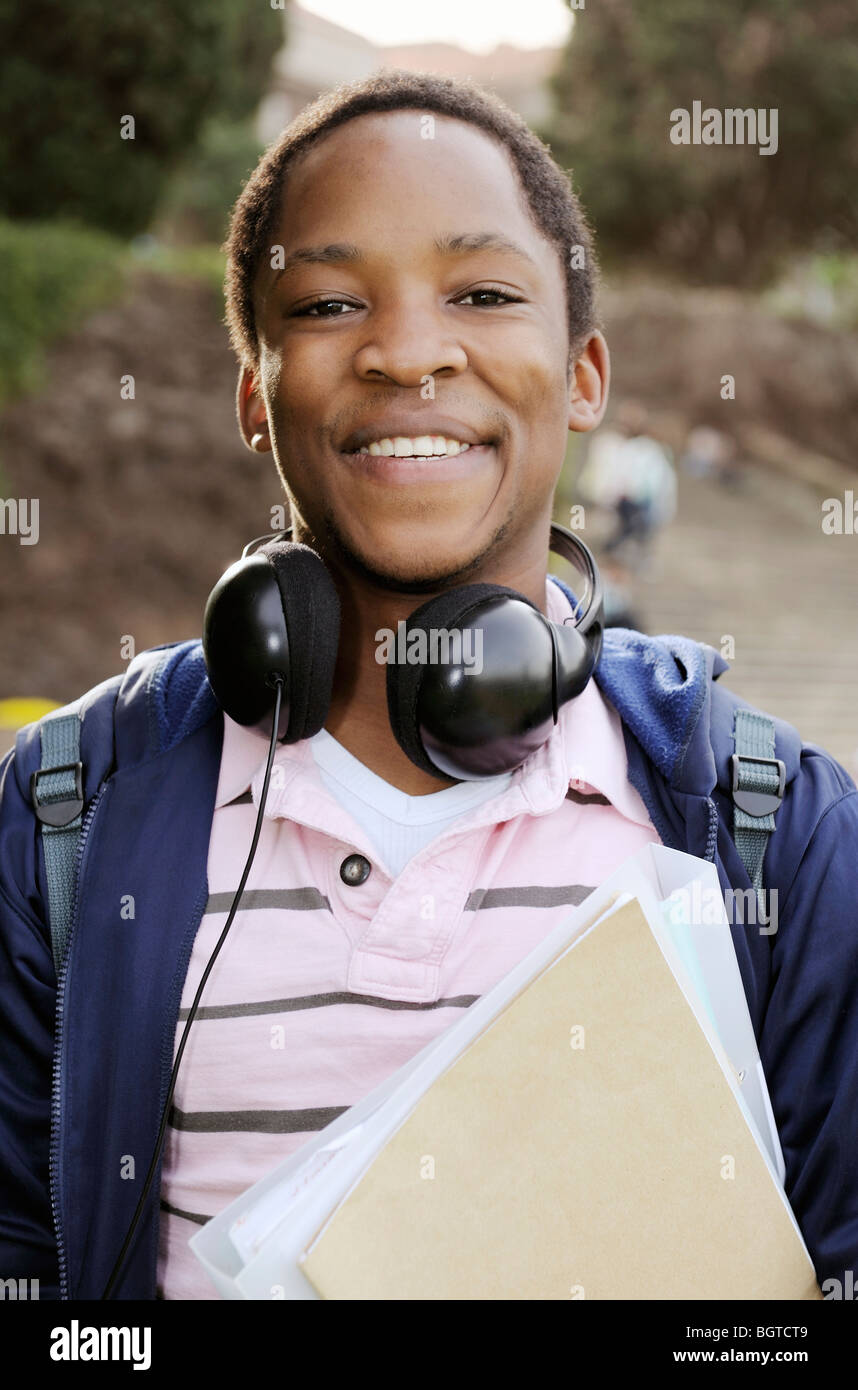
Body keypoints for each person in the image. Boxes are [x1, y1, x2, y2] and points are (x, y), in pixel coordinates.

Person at [1, 70, 856, 1301]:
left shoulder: (785, 834)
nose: (407, 351)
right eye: (333, 301)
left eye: (486, 293)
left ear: (583, 376)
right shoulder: (60, 820)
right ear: (257, 392)